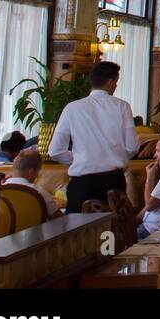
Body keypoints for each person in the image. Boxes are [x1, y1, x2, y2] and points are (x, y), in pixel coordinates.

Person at [47, 61, 140, 213]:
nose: (116, 86)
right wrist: (112, 155)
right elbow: (132, 147)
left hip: (82, 184)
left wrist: (80, 158)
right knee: (110, 232)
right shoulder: (122, 106)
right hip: (114, 183)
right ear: (110, 82)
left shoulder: (72, 108)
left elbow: (55, 150)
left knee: (79, 233)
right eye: (116, 82)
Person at [3, 149, 61, 218]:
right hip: (34, 228)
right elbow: (59, 218)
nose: (37, 175)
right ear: (31, 172)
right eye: (38, 171)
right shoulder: (39, 192)